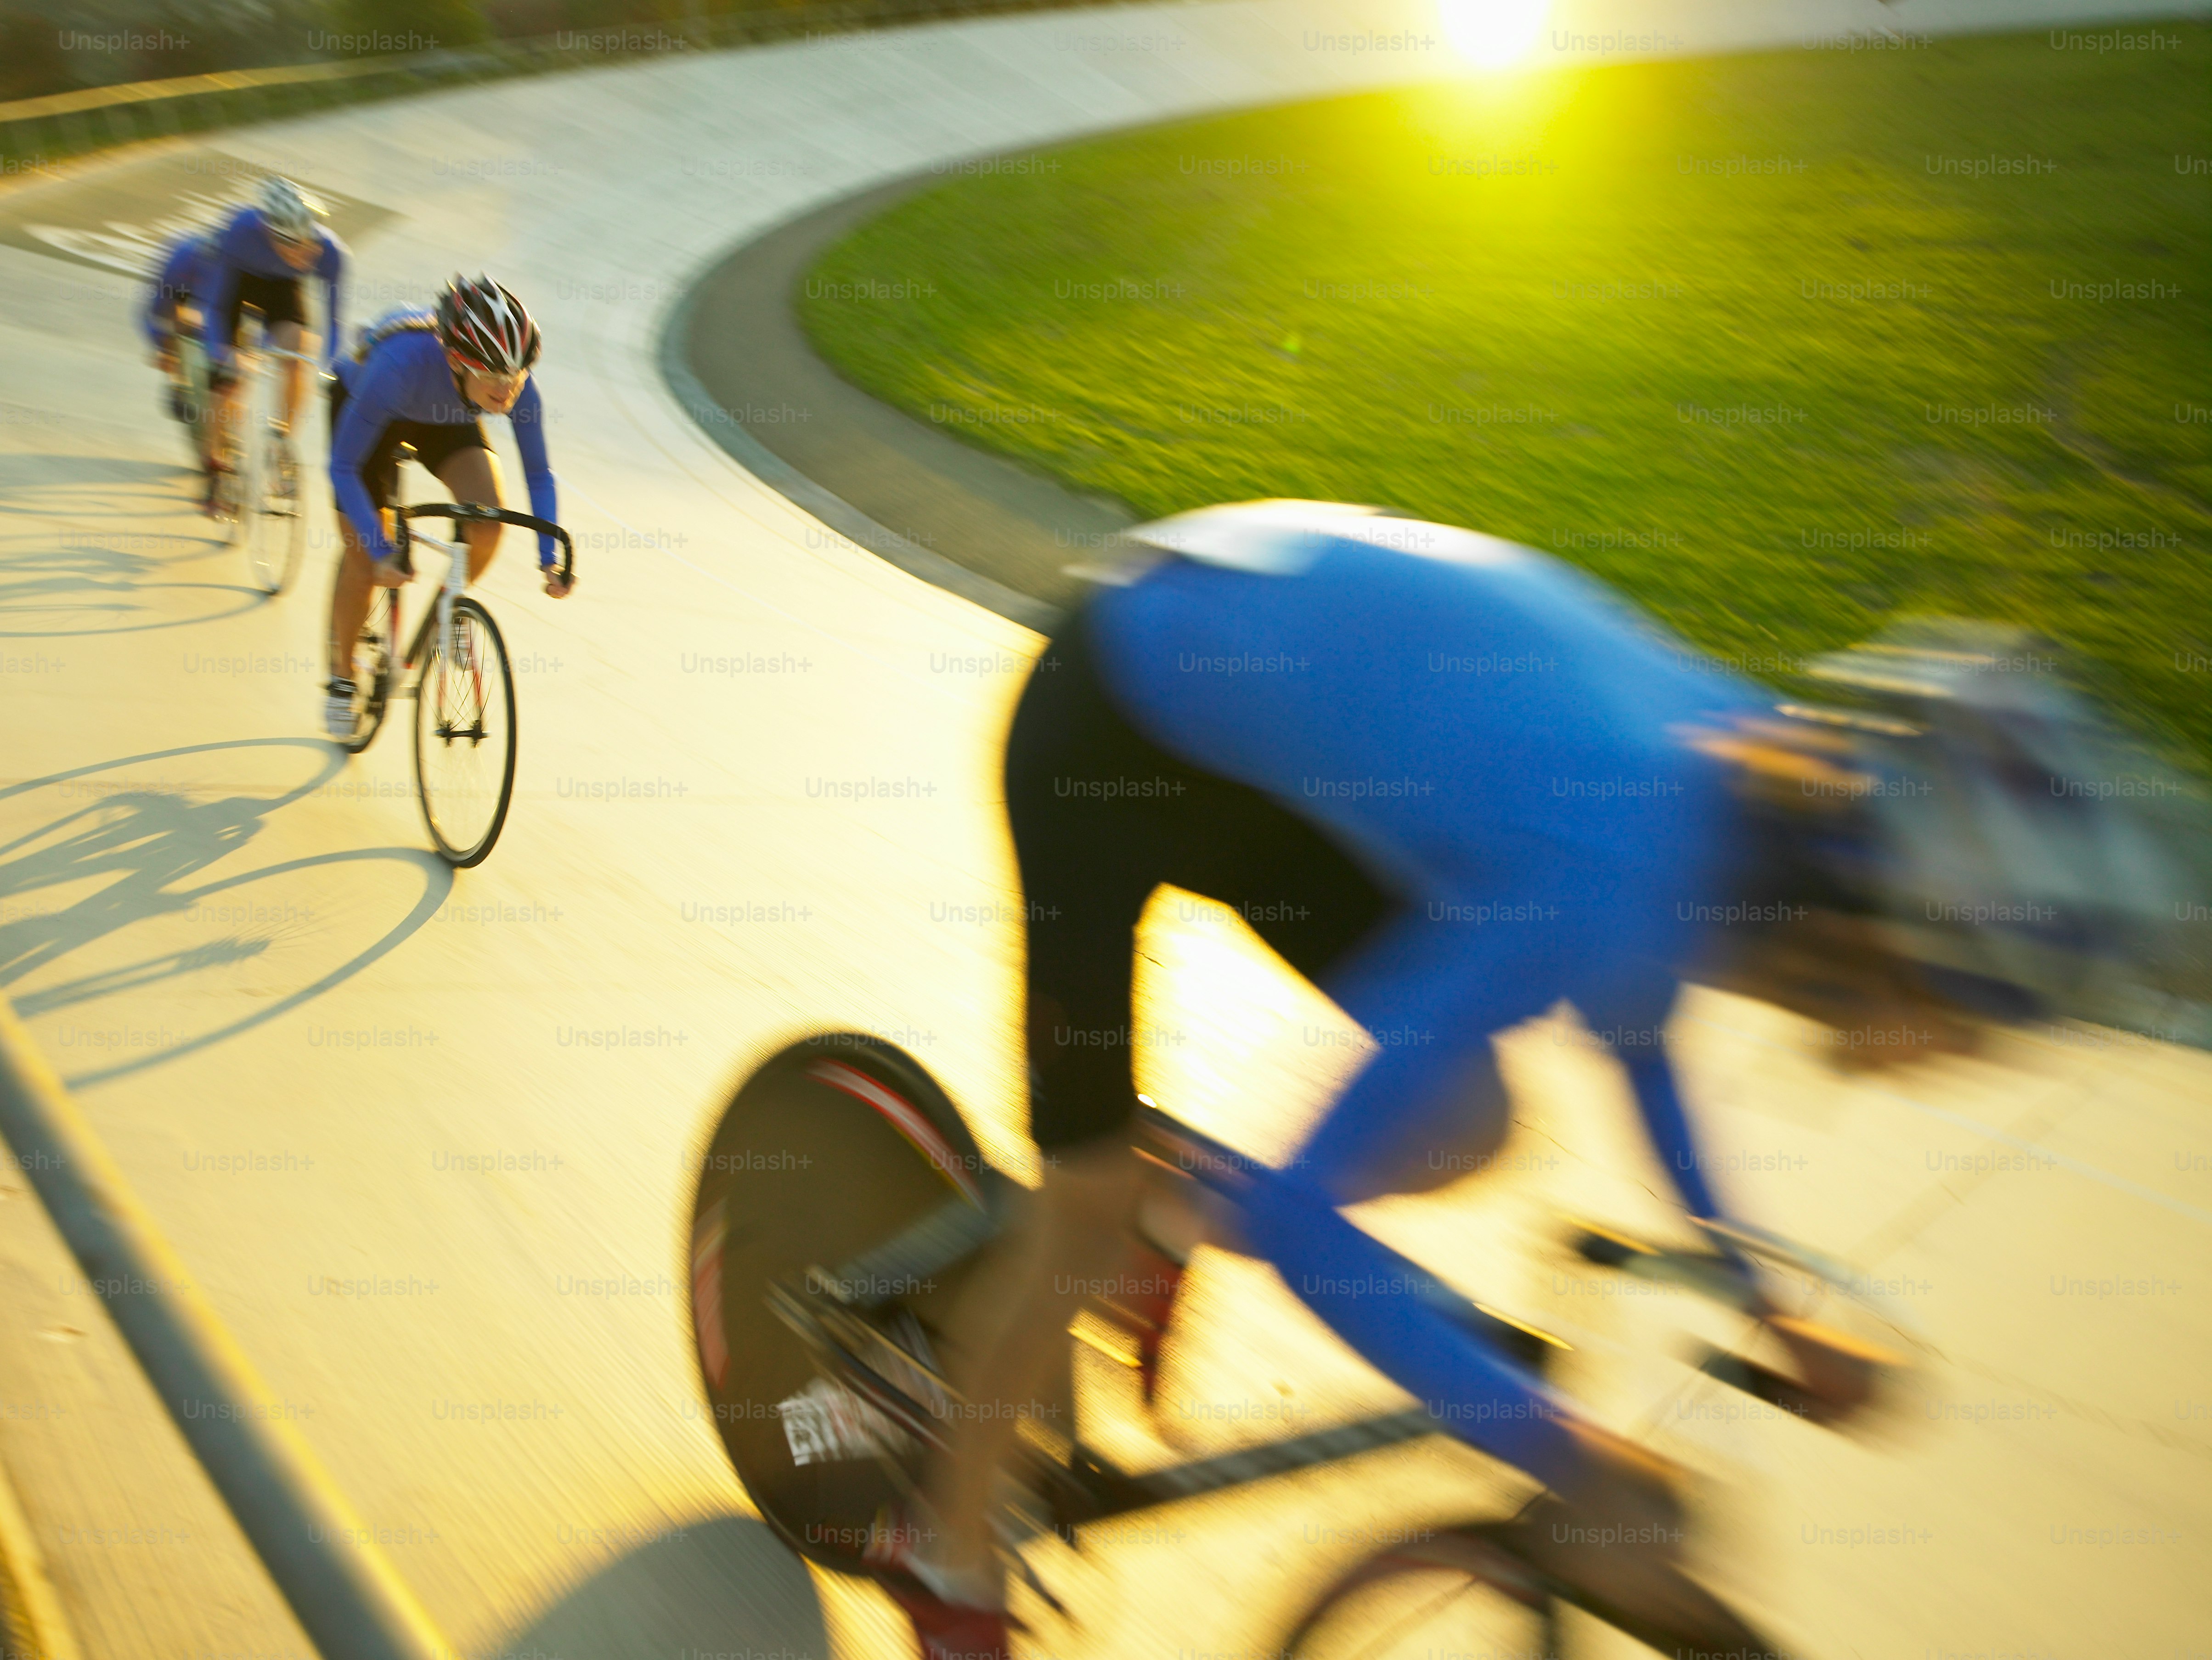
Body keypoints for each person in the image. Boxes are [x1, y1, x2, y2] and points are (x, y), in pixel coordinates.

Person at [865, 501, 2150, 1660]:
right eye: (1969, 1014)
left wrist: (1764, 1290)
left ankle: (1174, 1210)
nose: (1961, 1056)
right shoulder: (1610, 855)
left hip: (1249, 717)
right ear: (1885, 936)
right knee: (1075, 1212)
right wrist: (1567, 1452)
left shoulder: (1735, 803)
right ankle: (948, 1563)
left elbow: (1638, 1040)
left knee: (1464, 1123)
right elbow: (1315, 1224)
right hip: (1110, 719)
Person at [323, 275, 571, 741]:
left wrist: (548, 557)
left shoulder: (511, 382)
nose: (508, 392)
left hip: (448, 414)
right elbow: (341, 467)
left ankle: (448, 609)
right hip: (372, 408)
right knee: (362, 555)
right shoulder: (399, 366)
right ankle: (340, 676)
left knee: (489, 520)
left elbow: (538, 474)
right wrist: (379, 549)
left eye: (517, 377)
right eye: (495, 377)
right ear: (458, 362)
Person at [202, 175, 347, 503]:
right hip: (238, 287)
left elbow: (335, 321)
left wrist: (332, 369)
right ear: (269, 234)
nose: (304, 253)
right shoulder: (239, 233)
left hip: (283, 290)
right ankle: (216, 461)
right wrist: (221, 353)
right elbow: (216, 307)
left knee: (299, 352)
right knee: (225, 382)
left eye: (307, 243)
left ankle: (281, 445)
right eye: (291, 245)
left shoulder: (331, 253)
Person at [143, 229, 217, 476]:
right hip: (181, 299)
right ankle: (182, 387)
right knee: (178, 324)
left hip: (220, 303)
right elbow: (154, 311)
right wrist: (163, 350)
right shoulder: (183, 257)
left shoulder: (241, 269)